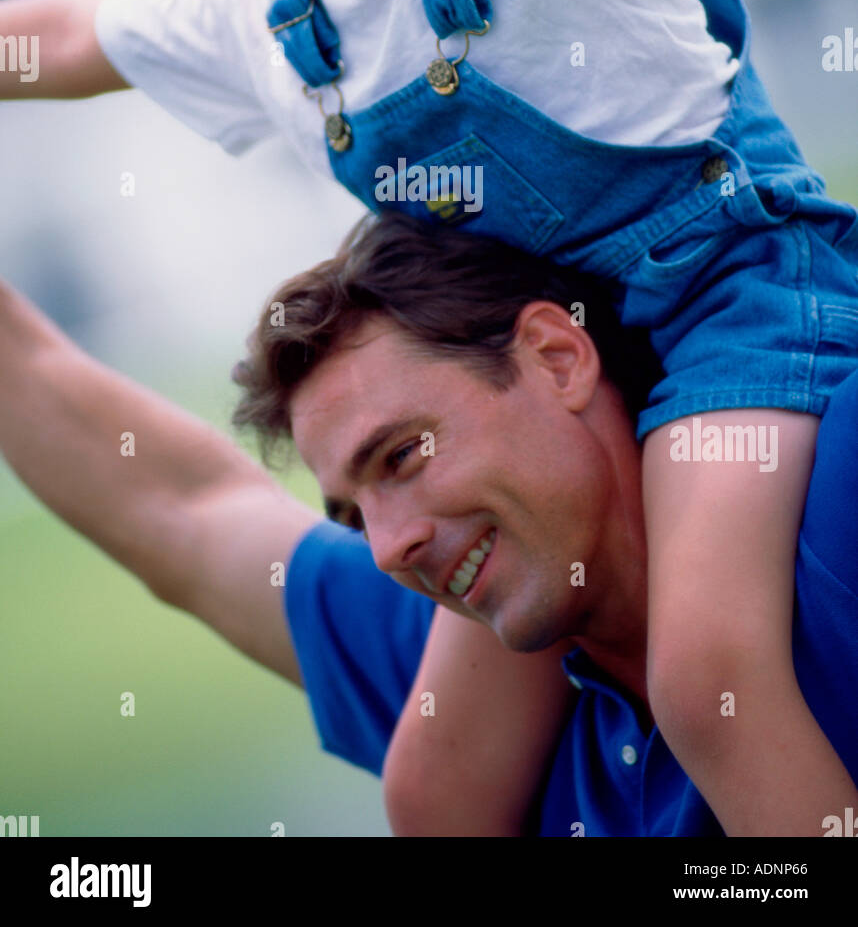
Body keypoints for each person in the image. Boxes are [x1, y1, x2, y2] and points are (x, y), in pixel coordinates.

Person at [2, 0, 858, 835]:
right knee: (436, 781)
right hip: (551, 356)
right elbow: (68, 39)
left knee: (707, 671)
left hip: (733, 296)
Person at [1, 212, 857, 837]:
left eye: (403, 456)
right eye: (348, 512)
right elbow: (178, 508)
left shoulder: (829, 497)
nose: (385, 546)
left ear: (558, 358)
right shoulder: (469, 674)